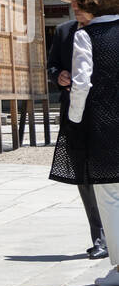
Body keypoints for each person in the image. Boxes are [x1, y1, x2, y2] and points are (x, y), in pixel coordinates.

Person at [49, 0, 119, 286]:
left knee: (110, 197)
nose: (73, 3)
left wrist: (75, 120)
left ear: (90, 1)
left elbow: (81, 84)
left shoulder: (85, 36)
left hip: (102, 125)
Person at [47, 16, 107, 259]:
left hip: (105, 112)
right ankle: (99, 237)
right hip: (73, 112)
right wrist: (59, 76)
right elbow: (51, 66)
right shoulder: (64, 31)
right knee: (83, 176)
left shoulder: (107, 29)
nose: (75, 5)